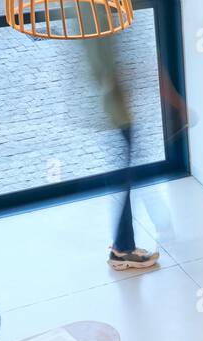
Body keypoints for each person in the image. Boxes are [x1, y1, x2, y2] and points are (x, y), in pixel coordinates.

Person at [83, 33, 162, 272]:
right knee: (124, 179)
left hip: (113, 110)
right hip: (114, 111)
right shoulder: (94, 12)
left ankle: (123, 245)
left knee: (123, 179)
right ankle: (122, 249)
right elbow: (105, 66)